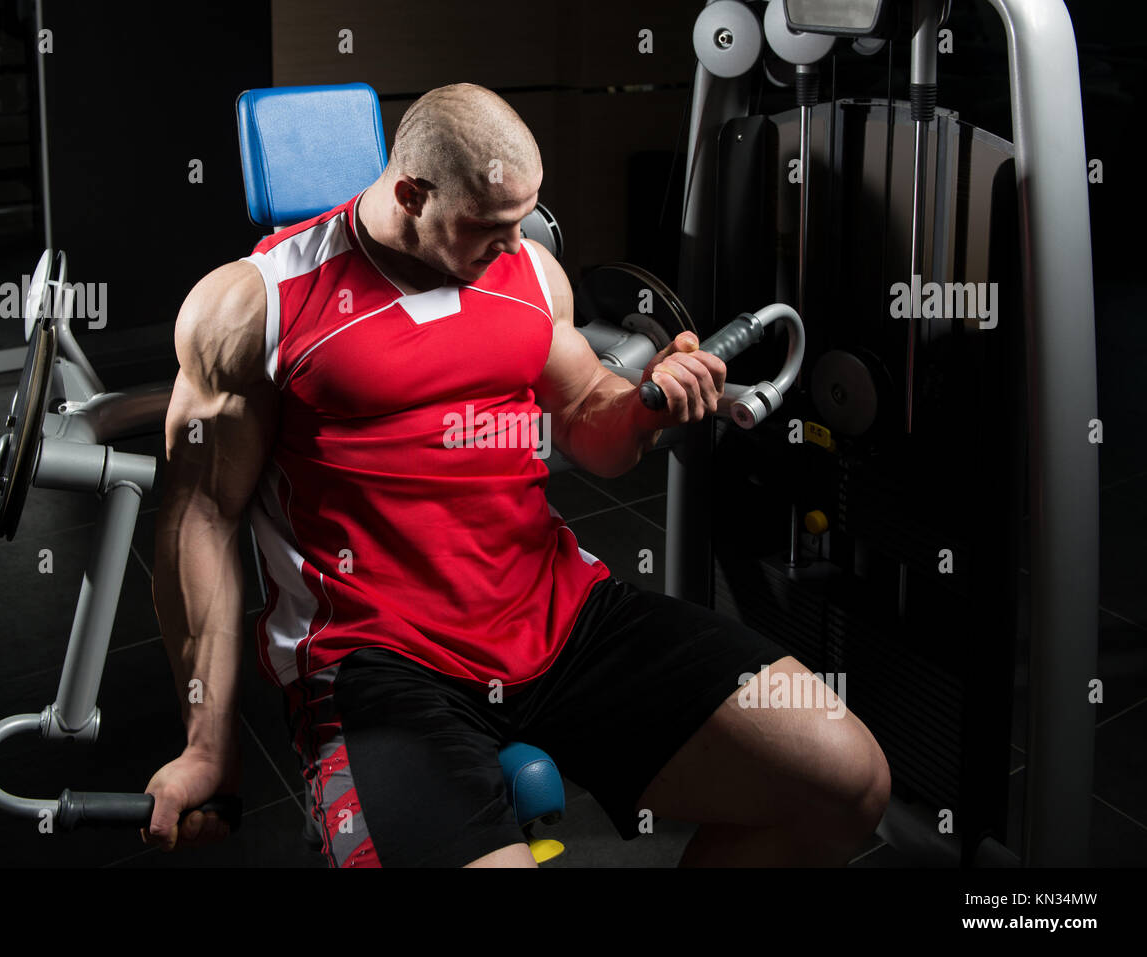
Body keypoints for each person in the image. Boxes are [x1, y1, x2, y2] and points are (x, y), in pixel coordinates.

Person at [143, 83, 890, 867]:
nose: (514, 245)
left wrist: (643, 409)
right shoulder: (256, 304)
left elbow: (589, 423)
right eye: (490, 227)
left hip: (562, 616)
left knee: (844, 781)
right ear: (409, 194)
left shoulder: (531, 271)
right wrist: (205, 746)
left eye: (523, 219)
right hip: (380, 663)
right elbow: (199, 519)